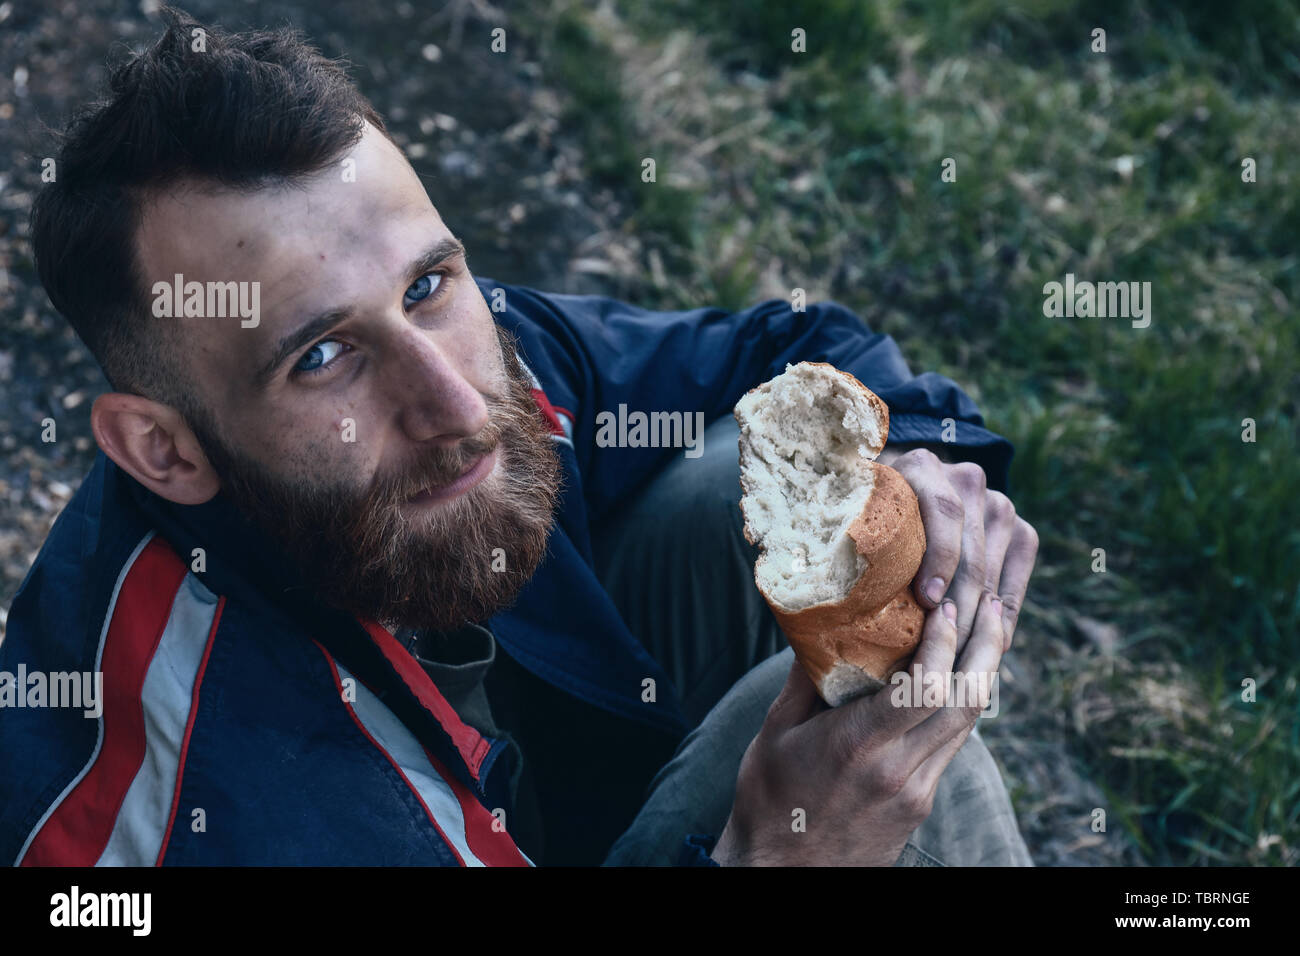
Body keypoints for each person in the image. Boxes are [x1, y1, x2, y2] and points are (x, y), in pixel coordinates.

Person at [0, 9, 1037, 866]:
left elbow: (794, 345)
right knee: (878, 776)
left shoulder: (467, 345)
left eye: (427, 283)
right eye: (322, 357)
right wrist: (778, 852)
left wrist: (920, 468)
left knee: (788, 480)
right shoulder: (206, 805)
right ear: (164, 450)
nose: (455, 402)